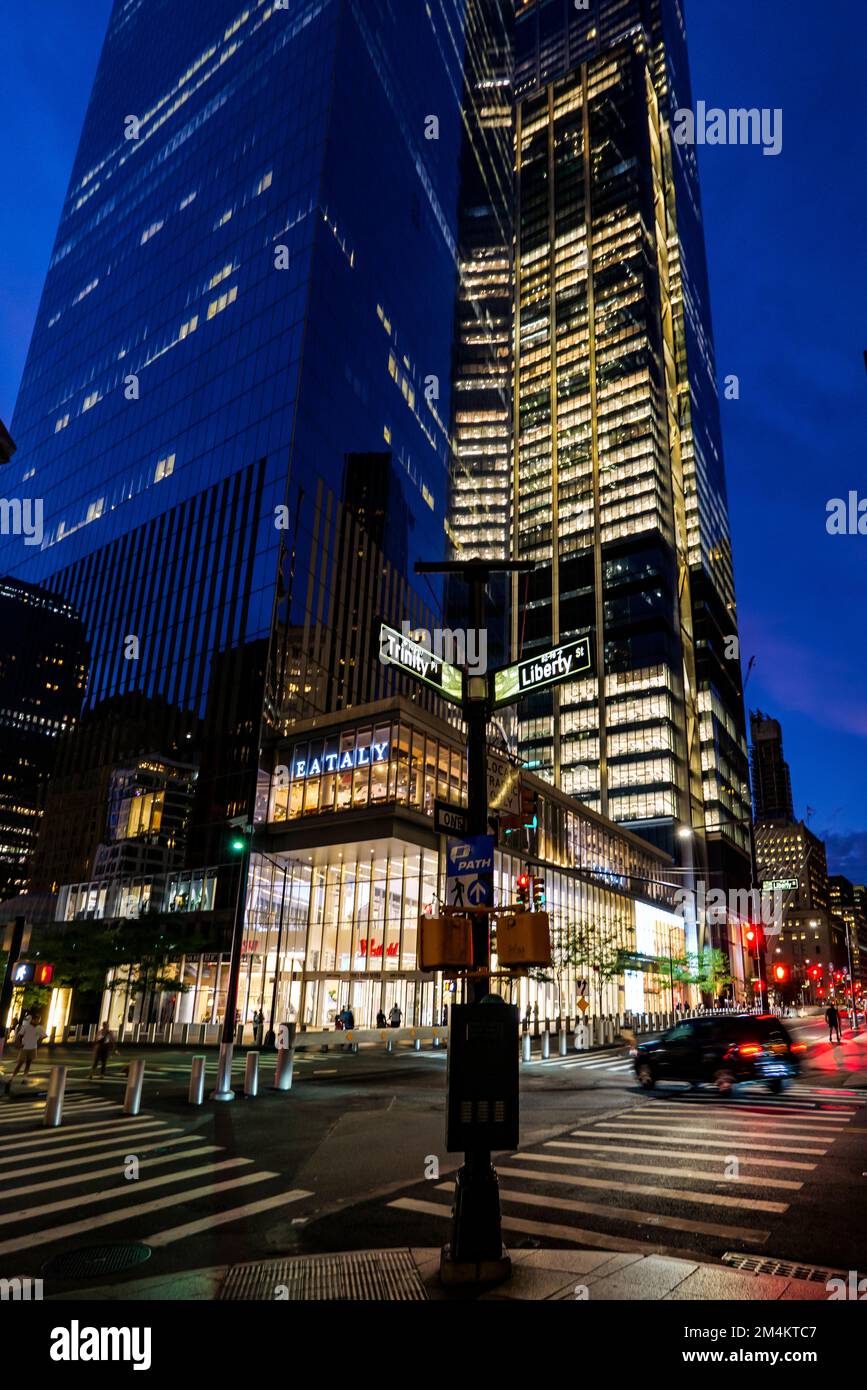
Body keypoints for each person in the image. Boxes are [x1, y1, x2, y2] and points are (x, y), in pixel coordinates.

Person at [6, 1014, 45, 1092]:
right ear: (33, 1020)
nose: (38, 1021)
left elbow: (43, 1036)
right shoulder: (26, 1027)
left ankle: (24, 1078)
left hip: (33, 1047)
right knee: (20, 1063)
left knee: (28, 1063)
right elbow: (20, 1035)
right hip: (25, 1047)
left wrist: (38, 1042)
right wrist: (20, 1043)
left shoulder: (39, 1028)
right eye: (36, 1020)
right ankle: (12, 1078)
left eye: (39, 1020)